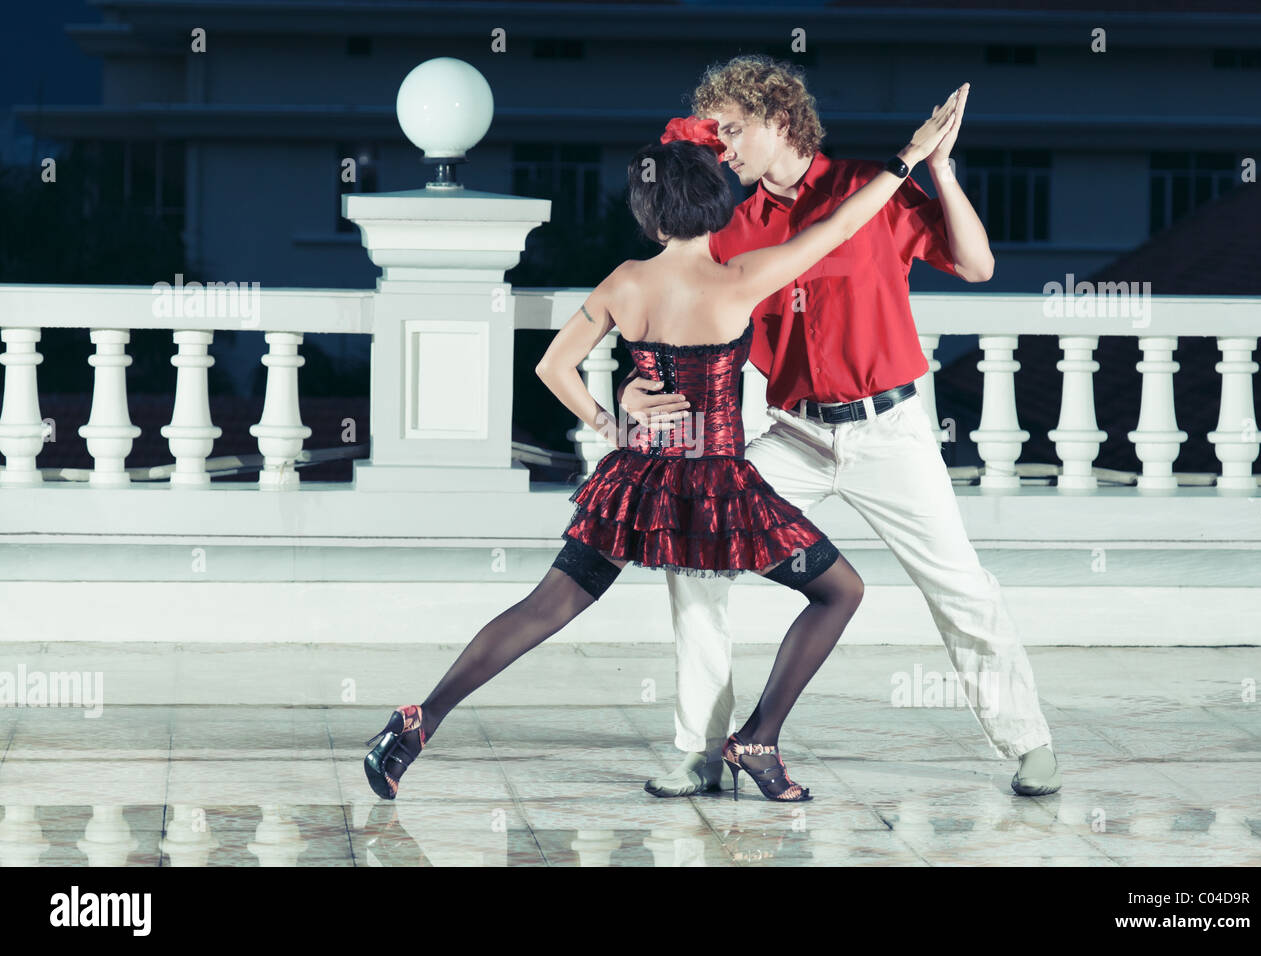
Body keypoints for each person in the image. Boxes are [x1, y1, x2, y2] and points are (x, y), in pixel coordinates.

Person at [363, 90, 962, 803]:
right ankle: (758, 738)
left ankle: (418, 720)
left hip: (637, 484)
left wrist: (612, 421)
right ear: (717, 206)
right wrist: (907, 159)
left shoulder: (626, 282)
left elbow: (553, 366)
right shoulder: (742, 280)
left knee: (545, 605)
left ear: (650, 213)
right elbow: (838, 226)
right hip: (717, 493)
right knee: (840, 592)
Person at [623, 55, 1062, 799]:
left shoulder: (871, 189)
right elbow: (680, 316)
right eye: (715, 131)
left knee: (962, 586)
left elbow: (979, 264)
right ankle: (700, 747)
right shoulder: (731, 231)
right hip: (793, 434)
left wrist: (942, 171)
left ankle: (1028, 742)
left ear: (780, 119)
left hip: (890, 433)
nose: (720, 146)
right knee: (693, 557)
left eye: (733, 129)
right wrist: (639, 384)